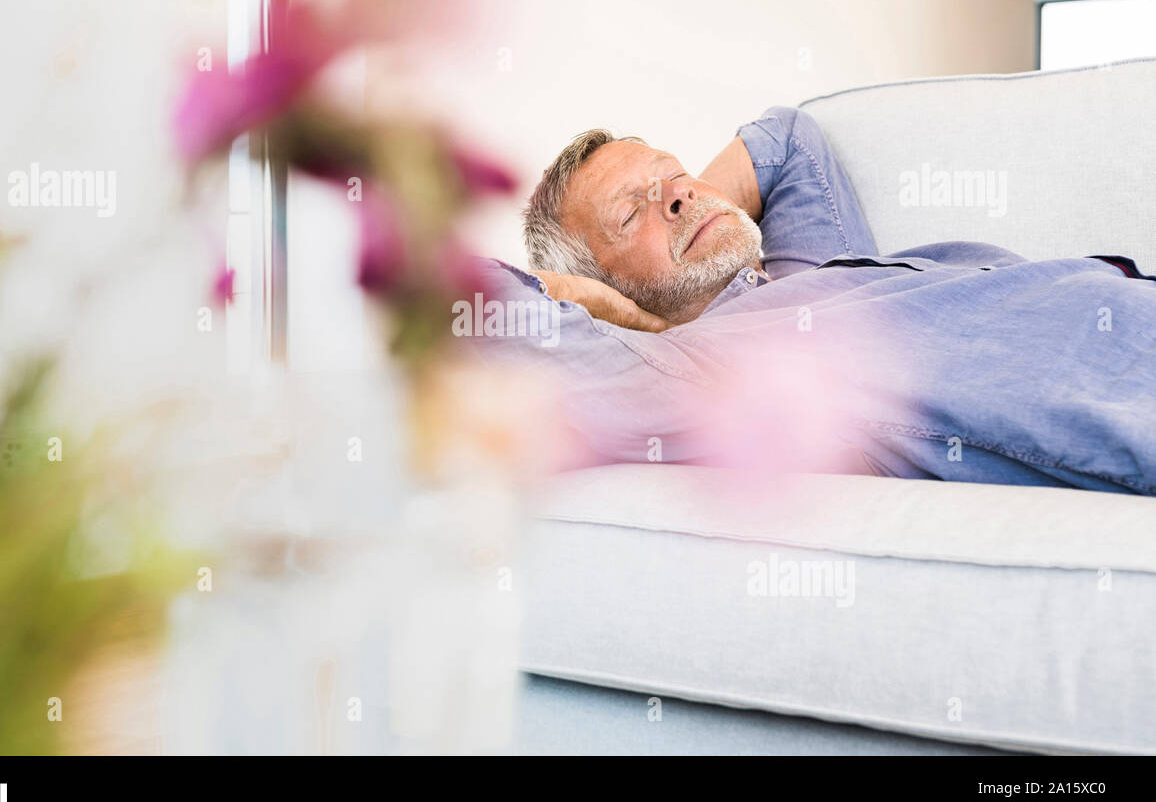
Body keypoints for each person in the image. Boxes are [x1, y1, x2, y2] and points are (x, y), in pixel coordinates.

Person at [468, 107, 1156, 493]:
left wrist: (688, 208)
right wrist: (608, 311)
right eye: (630, 215)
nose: (678, 194)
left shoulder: (801, 275)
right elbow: (463, 299)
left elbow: (791, 142)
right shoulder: (697, 370)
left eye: (673, 176)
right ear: (600, 281)